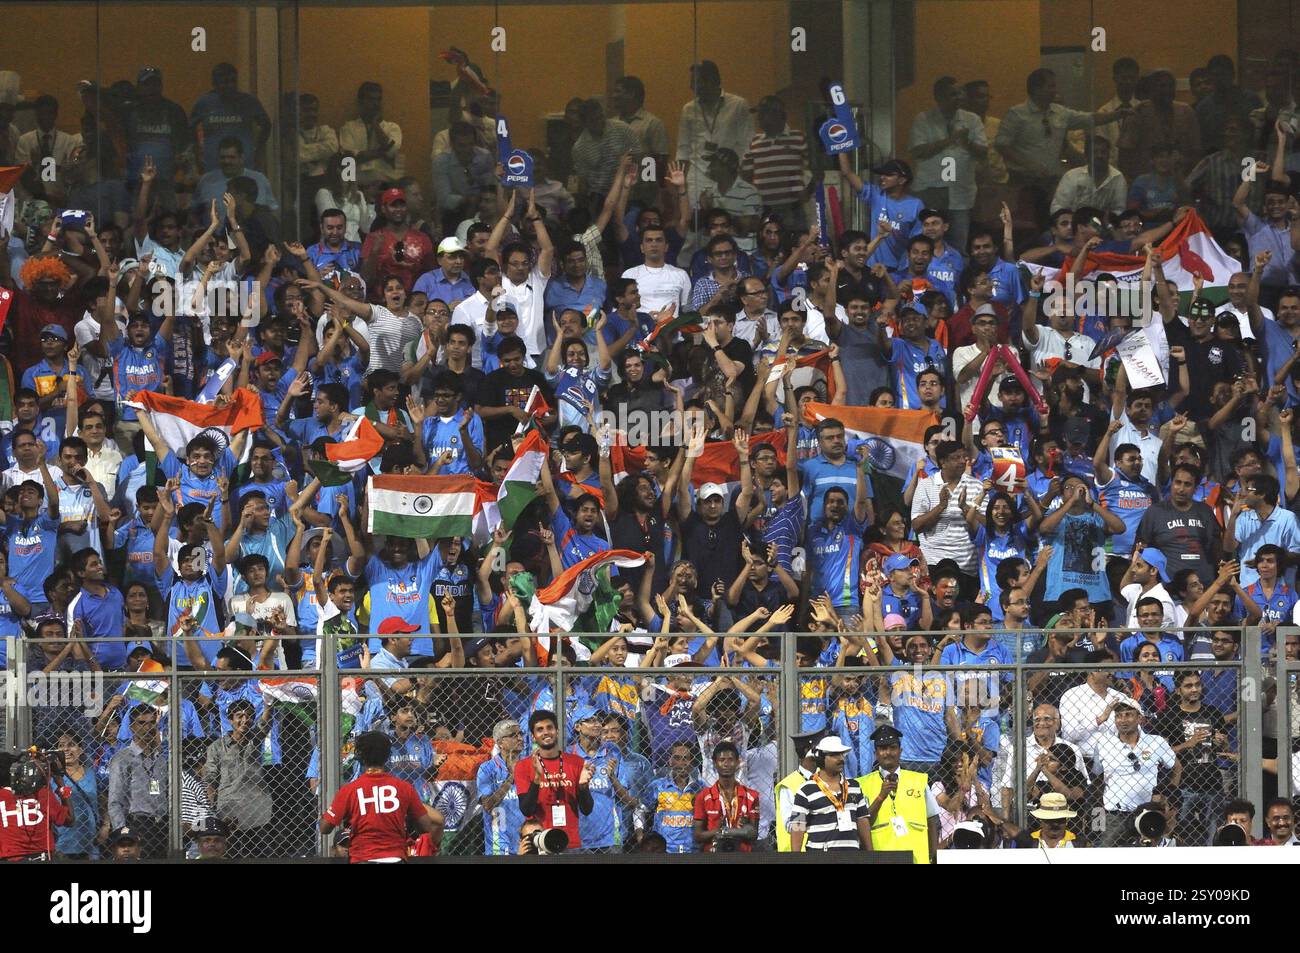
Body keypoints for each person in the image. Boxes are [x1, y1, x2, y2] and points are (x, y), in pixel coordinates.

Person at [320, 731, 439, 863]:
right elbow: (426, 827)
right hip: (395, 857)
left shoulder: (350, 790)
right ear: (388, 755)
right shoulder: (404, 788)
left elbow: (324, 828)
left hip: (363, 858)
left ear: (360, 756)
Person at [1084, 696, 1179, 847]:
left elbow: (1176, 767)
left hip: (1148, 813)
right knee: (1104, 853)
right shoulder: (1104, 744)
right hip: (1114, 815)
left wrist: (1170, 795)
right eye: (1118, 716)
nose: (1123, 720)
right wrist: (1097, 820)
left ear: (1139, 718)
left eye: (1128, 714)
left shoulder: (1156, 742)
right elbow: (1096, 781)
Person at [858, 725, 940, 863]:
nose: (888, 752)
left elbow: (932, 821)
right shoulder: (862, 784)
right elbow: (863, 823)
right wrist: (881, 796)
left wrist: (932, 856)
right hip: (881, 857)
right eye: (883, 748)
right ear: (876, 753)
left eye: (892, 747)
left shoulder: (919, 780)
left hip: (916, 858)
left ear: (900, 751)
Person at [515, 709, 594, 850]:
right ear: (533, 736)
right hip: (539, 843)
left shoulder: (577, 763)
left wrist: (583, 787)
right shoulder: (524, 766)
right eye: (540, 729)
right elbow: (527, 810)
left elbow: (587, 809)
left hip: (570, 843)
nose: (545, 732)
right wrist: (537, 779)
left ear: (557, 731)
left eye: (549, 727)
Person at [788, 736, 872, 852]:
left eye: (842, 754)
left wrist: (871, 855)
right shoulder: (805, 790)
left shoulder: (854, 786)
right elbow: (798, 825)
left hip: (852, 857)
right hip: (819, 858)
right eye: (834, 755)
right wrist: (795, 859)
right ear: (821, 758)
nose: (841, 759)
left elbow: (862, 820)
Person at [692, 741, 761, 853]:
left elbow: (753, 834)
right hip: (713, 856)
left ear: (738, 762)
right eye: (722, 760)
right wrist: (724, 832)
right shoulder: (703, 796)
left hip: (743, 856)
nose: (726, 764)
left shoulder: (752, 796)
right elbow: (698, 835)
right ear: (714, 763)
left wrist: (725, 832)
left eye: (730, 760)